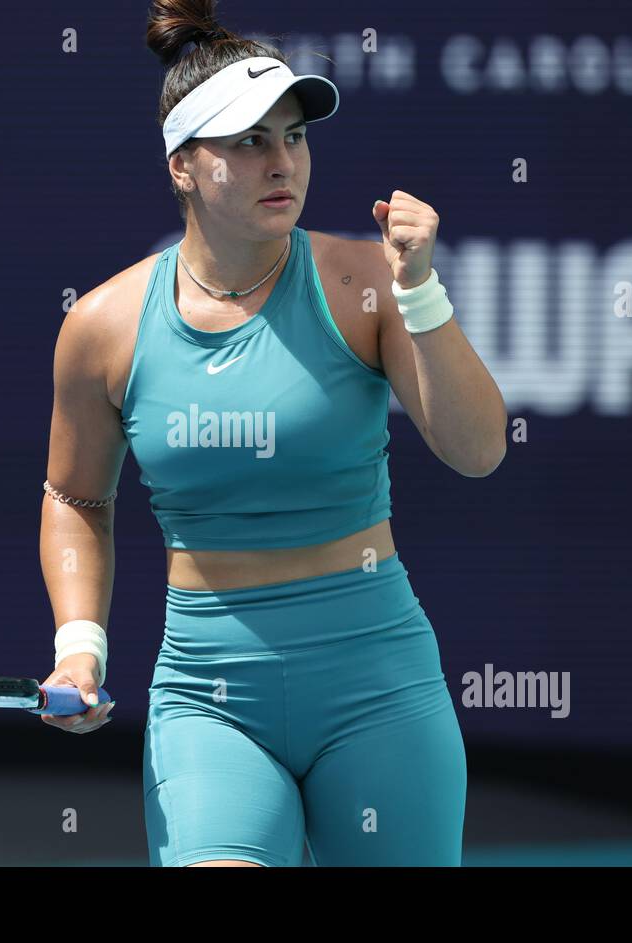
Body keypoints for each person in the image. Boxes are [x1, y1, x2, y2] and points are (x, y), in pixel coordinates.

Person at [38, 0, 506, 866]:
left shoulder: (368, 282)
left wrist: (422, 293)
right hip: (208, 698)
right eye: (247, 141)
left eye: (292, 136)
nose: (281, 161)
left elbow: (479, 451)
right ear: (183, 166)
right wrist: (79, 647)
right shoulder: (101, 326)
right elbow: (74, 497)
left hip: (378, 683)